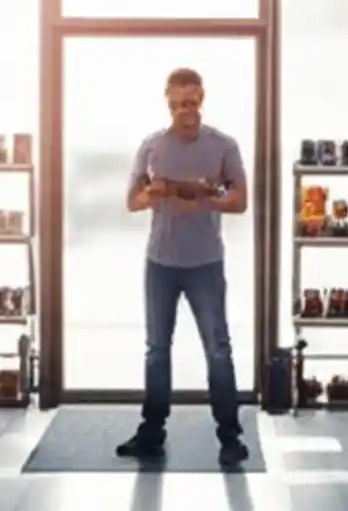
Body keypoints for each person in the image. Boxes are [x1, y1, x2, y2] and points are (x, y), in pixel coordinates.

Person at [115, 67, 250, 468]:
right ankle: (152, 433)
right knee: (157, 351)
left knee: (219, 351)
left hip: (206, 262)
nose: (185, 110)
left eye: (191, 102)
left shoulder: (223, 146)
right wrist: (152, 194)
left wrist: (208, 198)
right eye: (177, 105)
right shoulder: (152, 146)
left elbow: (240, 201)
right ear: (168, 103)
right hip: (161, 263)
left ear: (202, 98)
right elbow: (131, 201)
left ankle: (230, 438)